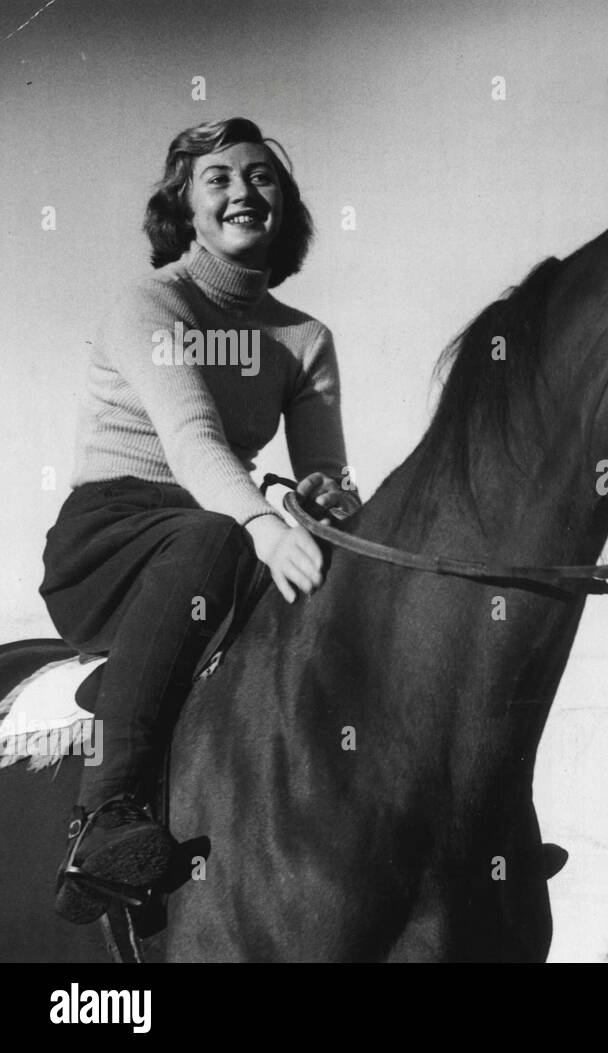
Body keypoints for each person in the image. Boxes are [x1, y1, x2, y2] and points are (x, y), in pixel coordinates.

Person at [40, 118, 361, 924]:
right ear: (184, 205)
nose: (243, 192)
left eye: (262, 177)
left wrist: (325, 504)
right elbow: (193, 442)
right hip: (115, 542)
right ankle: (105, 818)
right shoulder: (151, 302)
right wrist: (262, 523)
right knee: (218, 538)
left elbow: (327, 474)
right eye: (218, 178)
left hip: (225, 535)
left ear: (283, 205)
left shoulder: (306, 338)